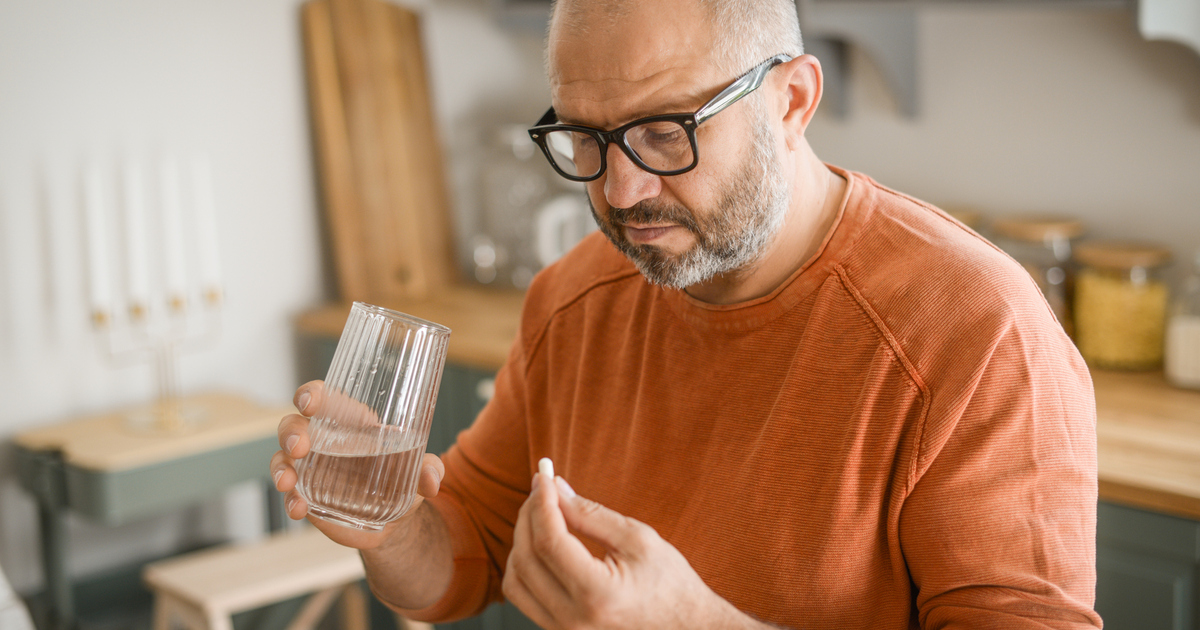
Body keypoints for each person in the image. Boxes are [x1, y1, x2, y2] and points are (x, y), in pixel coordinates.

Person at [271, 0, 1102, 627]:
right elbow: (471, 548)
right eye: (585, 137)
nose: (620, 190)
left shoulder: (979, 331)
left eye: (665, 133)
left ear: (792, 101)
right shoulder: (573, 297)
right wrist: (390, 527)